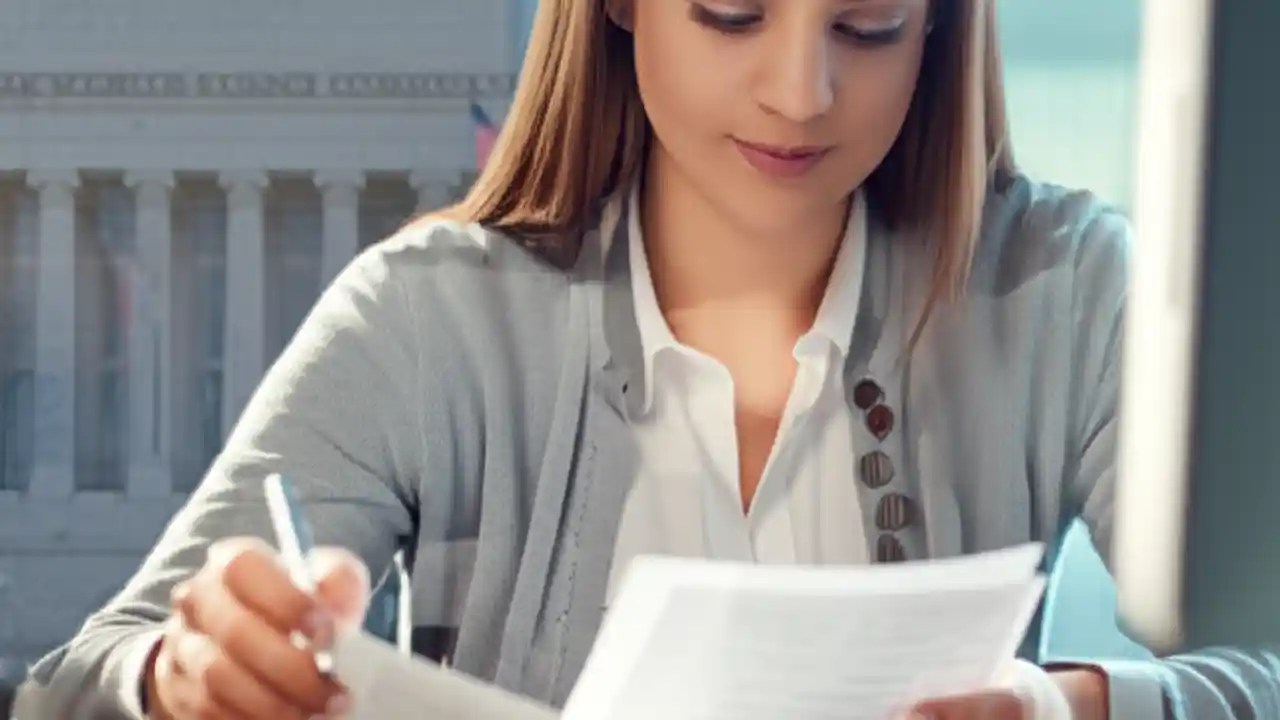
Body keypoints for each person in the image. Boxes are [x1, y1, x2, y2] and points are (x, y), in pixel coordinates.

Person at [19, 0, 1280, 718]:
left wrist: (1072, 709)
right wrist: (177, 675)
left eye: (871, 23)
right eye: (731, 10)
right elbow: (74, 683)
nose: (800, 91)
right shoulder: (425, 315)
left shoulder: (1065, 285)